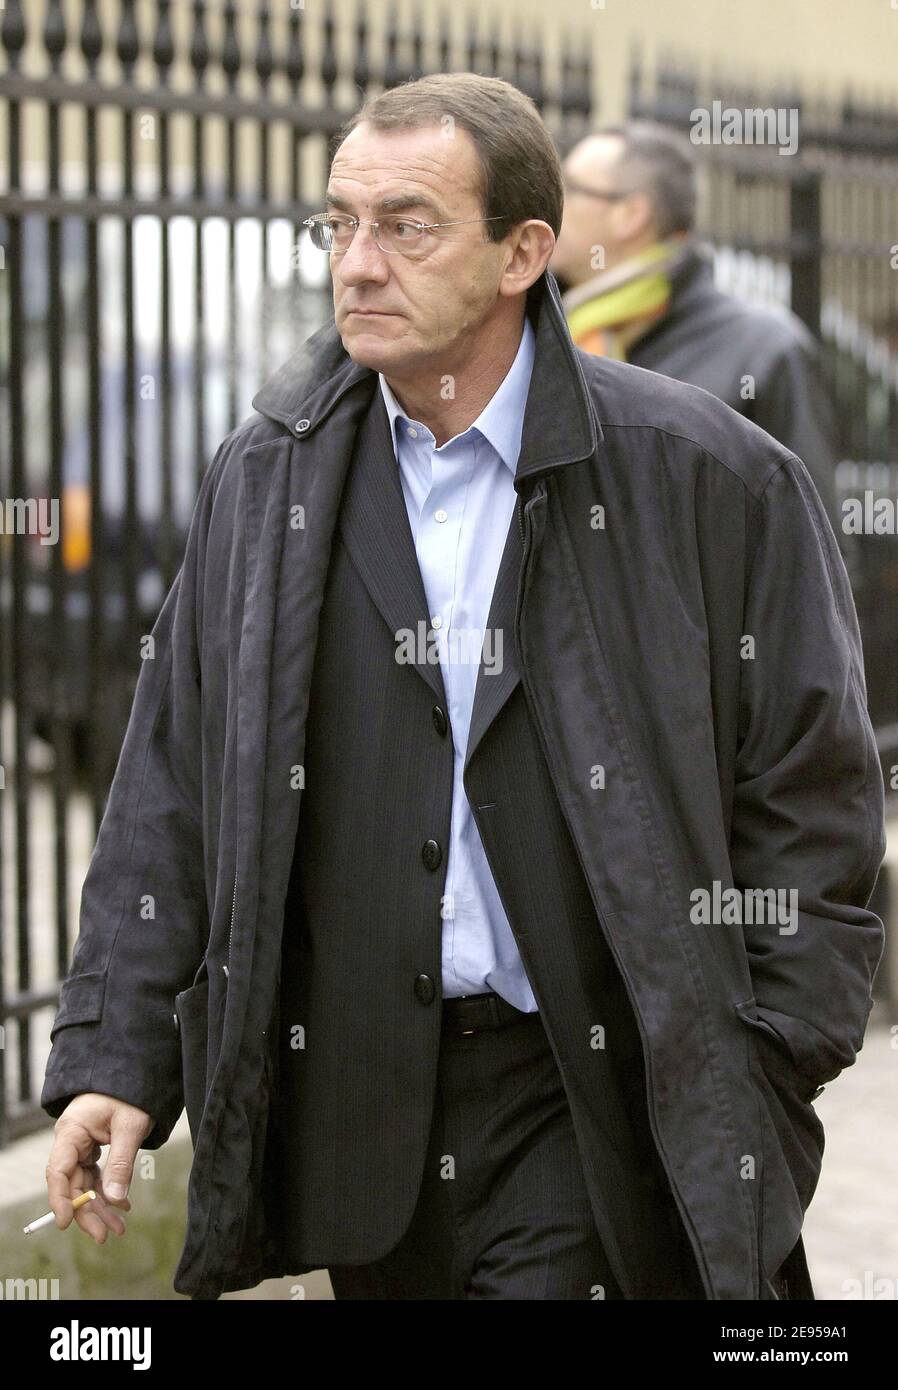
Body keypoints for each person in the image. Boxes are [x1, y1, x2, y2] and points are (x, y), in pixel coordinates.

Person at [41, 73, 884, 1302]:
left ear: (522, 253)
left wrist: (762, 1055)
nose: (357, 264)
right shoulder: (266, 476)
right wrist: (114, 1056)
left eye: (406, 224)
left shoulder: (708, 477)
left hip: (592, 1096)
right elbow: (172, 774)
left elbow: (812, 790)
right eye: (340, 224)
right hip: (361, 1120)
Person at [550, 121, 841, 530]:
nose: (550, 205)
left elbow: (814, 547)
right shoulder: (547, 330)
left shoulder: (766, 351)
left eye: (572, 189)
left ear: (631, 215)